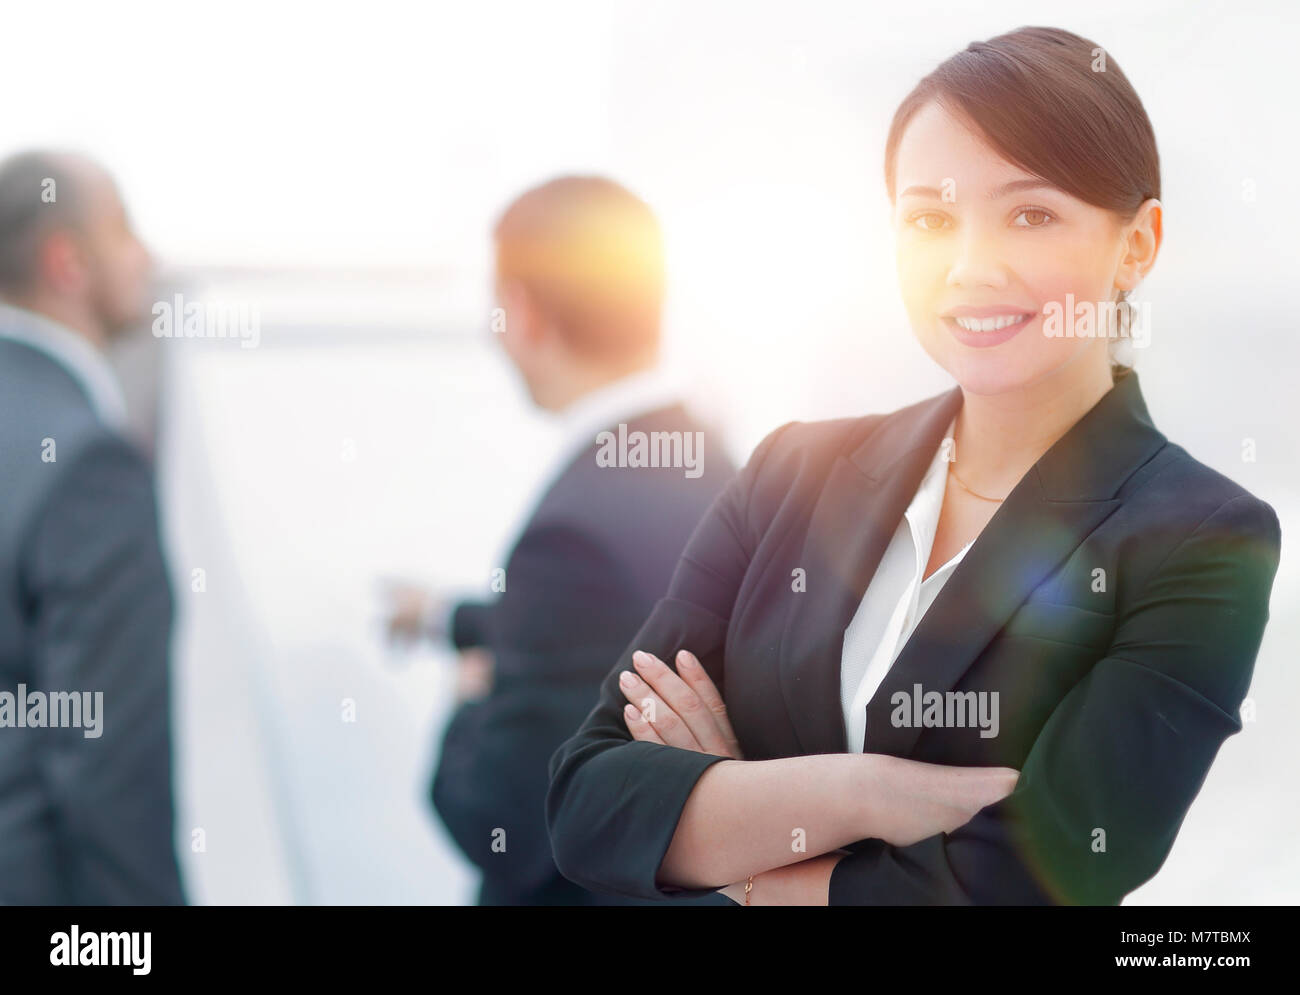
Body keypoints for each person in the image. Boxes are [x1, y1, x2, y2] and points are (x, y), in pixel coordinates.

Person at [546, 27, 1282, 905]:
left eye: (1032, 213)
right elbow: (586, 802)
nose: (971, 267)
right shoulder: (793, 471)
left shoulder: (1198, 538)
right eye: (931, 218)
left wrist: (740, 847)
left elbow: (1019, 885)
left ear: (1137, 244)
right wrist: (869, 793)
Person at [387, 176, 736, 905]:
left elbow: (496, 821)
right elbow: (617, 627)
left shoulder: (569, 534)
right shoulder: (714, 462)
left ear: (521, 313)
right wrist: (449, 618)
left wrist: (466, 698)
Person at [0, 150, 186, 904]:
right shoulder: (90, 461)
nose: (146, 257)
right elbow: (109, 763)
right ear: (66, 261)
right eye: (123, 231)